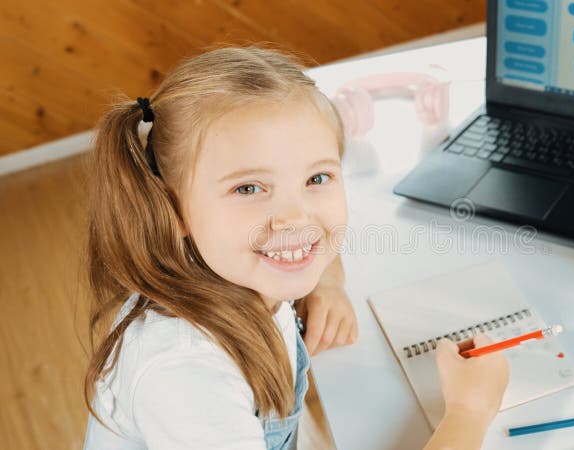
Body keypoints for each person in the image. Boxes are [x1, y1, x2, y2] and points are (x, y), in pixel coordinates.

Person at [82, 46, 509, 450]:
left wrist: (326, 283)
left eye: (316, 179)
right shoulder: (184, 375)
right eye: (248, 187)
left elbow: (312, 240)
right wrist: (469, 412)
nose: (295, 217)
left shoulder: (235, 260)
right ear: (170, 209)